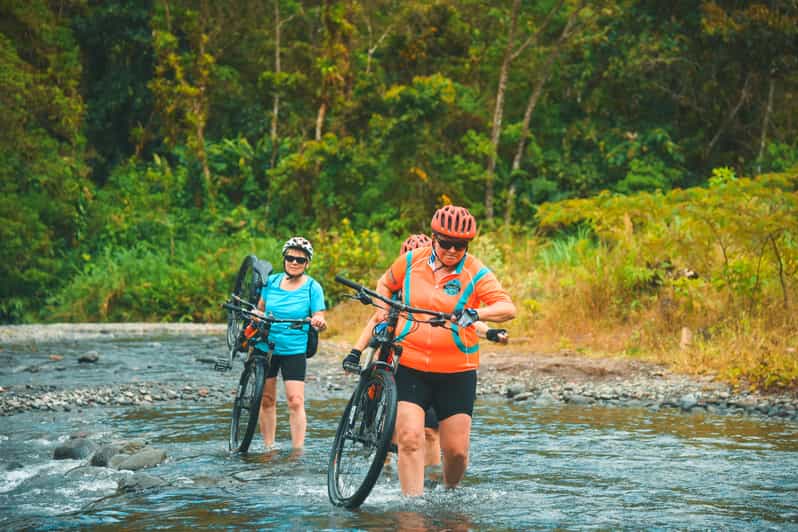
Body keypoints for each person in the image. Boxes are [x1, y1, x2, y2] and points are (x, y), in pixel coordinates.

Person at [374, 205, 516, 496]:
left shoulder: (476, 272)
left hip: (456, 372)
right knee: (410, 438)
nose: (452, 250)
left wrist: (476, 313)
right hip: (411, 364)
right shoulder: (412, 261)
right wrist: (382, 313)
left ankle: (450, 492)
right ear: (434, 237)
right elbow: (384, 285)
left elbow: (507, 308)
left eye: (460, 245)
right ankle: (411, 513)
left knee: (456, 452)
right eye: (446, 243)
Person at [342, 233, 509, 471]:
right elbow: (374, 323)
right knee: (393, 425)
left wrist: (490, 332)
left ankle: (430, 477)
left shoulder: (445, 290)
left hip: (436, 365)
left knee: (430, 430)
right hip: (396, 362)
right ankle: (383, 459)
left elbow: (464, 319)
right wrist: (355, 353)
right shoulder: (397, 292)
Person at [254, 236, 327, 450]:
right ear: (284, 258)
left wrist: (319, 321)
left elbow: (319, 314)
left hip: (294, 348)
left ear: (307, 263)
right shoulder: (272, 282)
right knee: (267, 399)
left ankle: (297, 450)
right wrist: (256, 316)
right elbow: (260, 308)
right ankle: (269, 447)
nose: (294, 262)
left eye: (300, 260)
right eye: (290, 258)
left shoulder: (313, 287)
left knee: (295, 400)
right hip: (265, 344)